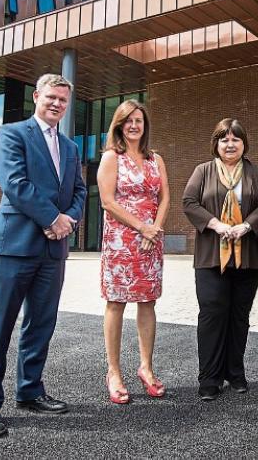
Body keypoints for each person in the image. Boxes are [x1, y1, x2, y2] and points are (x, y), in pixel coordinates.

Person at [0, 74, 87, 438]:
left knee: (41, 324)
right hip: (15, 247)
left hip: (53, 250)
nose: (56, 104)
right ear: (37, 96)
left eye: (63, 100)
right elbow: (15, 184)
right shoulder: (12, 134)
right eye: (51, 97)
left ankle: (30, 390)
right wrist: (52, 218)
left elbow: (81, 190)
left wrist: (68, 220)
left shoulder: (70, 147)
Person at [182, 119, 258, 401]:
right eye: (224, 139)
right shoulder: (203, 171)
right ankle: (209, 378)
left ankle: (235, 373)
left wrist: (246, 226)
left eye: (235, 139)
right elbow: (189, 202)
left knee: (238, 315)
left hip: (249, 254)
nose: (230, 144)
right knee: (211, 314)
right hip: (211, 254)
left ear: (244, 143)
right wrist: (217, 225)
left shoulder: (257, 172)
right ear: (216, 143)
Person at [98, 100, 170, 403]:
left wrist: (154, 229)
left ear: (145, 124)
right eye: (128, 120)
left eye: (138, 120)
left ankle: (146, 368)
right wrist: (142, 227)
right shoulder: (111, 158)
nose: (133, 125)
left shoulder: (156, 159)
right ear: (119, 124)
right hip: (121, 241)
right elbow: (107, 202)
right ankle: (114, 372)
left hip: (150, 241)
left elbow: (166, 196)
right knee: (116, 303)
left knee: (148, 303)